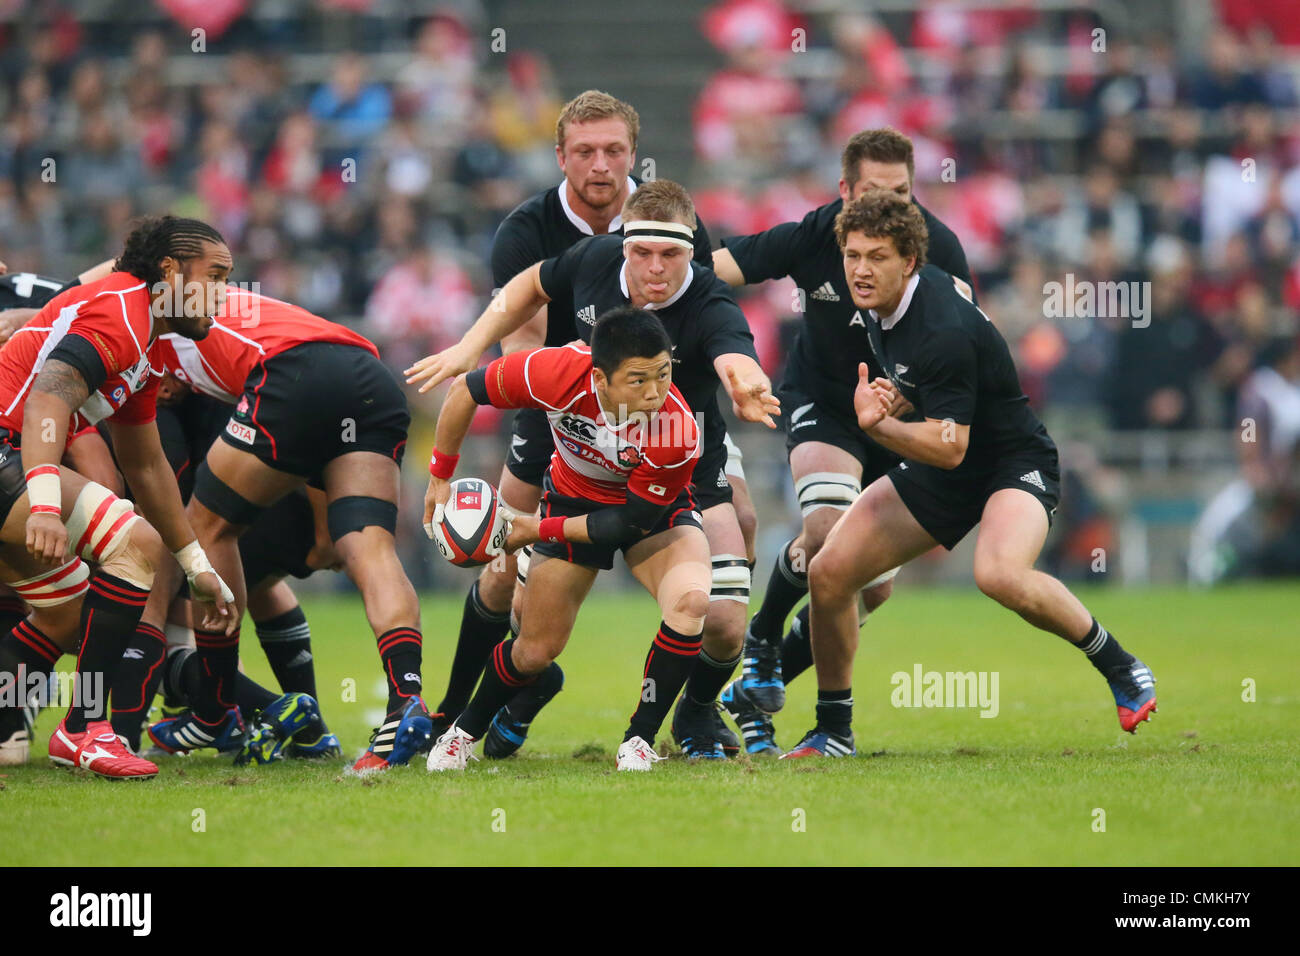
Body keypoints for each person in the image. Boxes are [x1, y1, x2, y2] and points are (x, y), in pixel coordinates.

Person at [422, 90, 760, 757]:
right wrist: (477, 357)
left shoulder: (673, 227)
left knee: (719, 614)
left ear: (634, 155)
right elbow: (518, 315)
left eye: (613, 151)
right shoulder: (544, 236)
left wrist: (741, 373)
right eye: (585, 151)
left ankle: (685, 718)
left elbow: (724, 329)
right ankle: (456, 717)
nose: (600, 164)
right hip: (562, 418)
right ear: (561, 156)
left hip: (673, 448)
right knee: (504, 585)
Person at [783, 191, 1157, 758]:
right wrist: (901, 400)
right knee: (830, 571)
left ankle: (1122, 666)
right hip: (945, 463)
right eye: (852, 254)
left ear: (908, 261)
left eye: (876, 256)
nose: (860, 269)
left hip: (1011, 461)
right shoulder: (881, 299)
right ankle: (834, 730)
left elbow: (952, 445)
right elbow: (935, 402)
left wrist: (880, 428)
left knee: (1000, 573)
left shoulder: (941, 326)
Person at [711, 126, 975, 754]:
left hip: (895, 421)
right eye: (875, 194)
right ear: (844, 193)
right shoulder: (816, 233)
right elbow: (716, 270)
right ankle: (765, 639)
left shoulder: (943, 249)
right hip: (824, 405)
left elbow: (965, 348)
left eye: (904, 194)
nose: (891, 210)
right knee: (829, 530)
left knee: (871, 585)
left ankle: (754, 683)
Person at [139, 285, 428, 774]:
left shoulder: (155, 324)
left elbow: (304, 392)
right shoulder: (229, 302)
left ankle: (213, 709)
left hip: (294, 372)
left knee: (202, 530)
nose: (161, 392)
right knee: (372, 549)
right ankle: (406, 701)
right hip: (367, 374)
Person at [422, 307, 708, 771]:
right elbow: (463, 391)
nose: (656, 392)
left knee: (692, 602)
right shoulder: (551, 372)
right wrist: (439, 478)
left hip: (649, 514)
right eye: (638, 380)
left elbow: (628, 524)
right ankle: (460, 734)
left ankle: (639, 740)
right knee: (534, 650)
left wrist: (534, 530)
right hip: (572, 500)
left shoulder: (676, 428)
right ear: (599, 376)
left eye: (663, 373)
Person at [0, 216, 235, 778]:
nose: (226, 293)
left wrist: (195, 565)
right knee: (133, 547)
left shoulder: (145, 344)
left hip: (12, 452)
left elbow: (146, 464)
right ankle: (83, 729)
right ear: (170, 270)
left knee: (67, 617)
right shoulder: (122, 309)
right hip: (8, 448)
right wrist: (47, 504)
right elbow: (46, 402)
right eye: (217, 275)